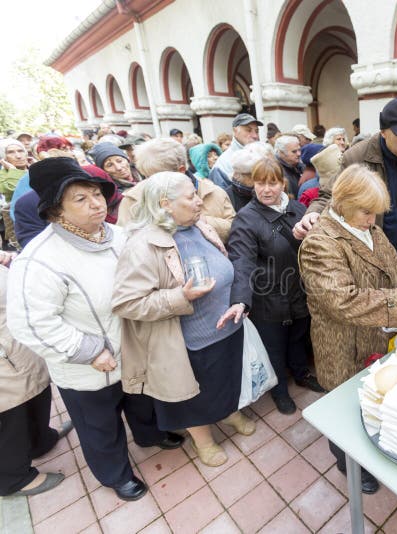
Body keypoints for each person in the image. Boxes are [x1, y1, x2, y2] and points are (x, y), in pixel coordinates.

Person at [7, 158, 180, 501]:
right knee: (99, 424)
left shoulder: (117, 235)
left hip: (131, 346)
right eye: (81, 199)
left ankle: (149, 435)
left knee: (141, 401)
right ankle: (116, 474)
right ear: (56, 211)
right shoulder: (40, 260)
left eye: (96, 194)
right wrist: (89, 351)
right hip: (89, 365)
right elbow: (30, 323)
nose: (97, 203)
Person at [298, 164, 397, 494]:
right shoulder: (320, 243)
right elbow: (341, 301)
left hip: (375, 339)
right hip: (343, 348)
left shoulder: (367, 227)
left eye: (375, 213)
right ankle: (348, 465)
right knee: (344, 414)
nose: (372, 220)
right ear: (342, 202)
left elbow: (395, 264)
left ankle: (367, 456)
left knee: (372, 405)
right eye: (367, 212)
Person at [113, 171, 256, 468]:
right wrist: (180, 297)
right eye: (191, 197)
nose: (199, 201)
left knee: (226, 379)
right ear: (165, 204)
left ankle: (229, 413)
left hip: (227, 327)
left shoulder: (198, 225)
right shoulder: (143, 245)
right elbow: (127, 303)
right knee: (193, 397)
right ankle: (203, 441)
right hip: (188, 341)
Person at [296, 98, 397, 285]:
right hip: (373, 259)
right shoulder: (356, 157)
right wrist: (312, 213)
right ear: (383, 132)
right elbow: (330, 195)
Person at [227, 158, 324, 415]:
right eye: (260, 183)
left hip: (299, 292)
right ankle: (279, 390)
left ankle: (301, 374)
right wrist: (240, 299)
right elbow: (241, 261)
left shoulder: (297, 209)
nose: (266, 189)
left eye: (272, 183)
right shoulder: (246, 219)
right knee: (274, 348)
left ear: (283, 183)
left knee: (298, 338)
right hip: (268, 298)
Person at [0, 252, 74, 498]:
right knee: (11, 415)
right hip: (4, 356)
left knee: (36, 394)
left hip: (16, 342)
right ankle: (14, 479)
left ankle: (40, 440)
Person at [117, 138, 236, 243]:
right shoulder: (133, 199)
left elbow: (234, 231)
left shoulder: (212, 192)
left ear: (181, 170)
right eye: (148, 177)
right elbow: (125, 242)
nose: (153, 183)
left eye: (161, 177)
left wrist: (200, 221)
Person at [209, 113, 263, 188]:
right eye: (248, 130)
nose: (255, 136)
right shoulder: (222, 165)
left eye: (257, 131)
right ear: (235, 131)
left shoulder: (263, 155)